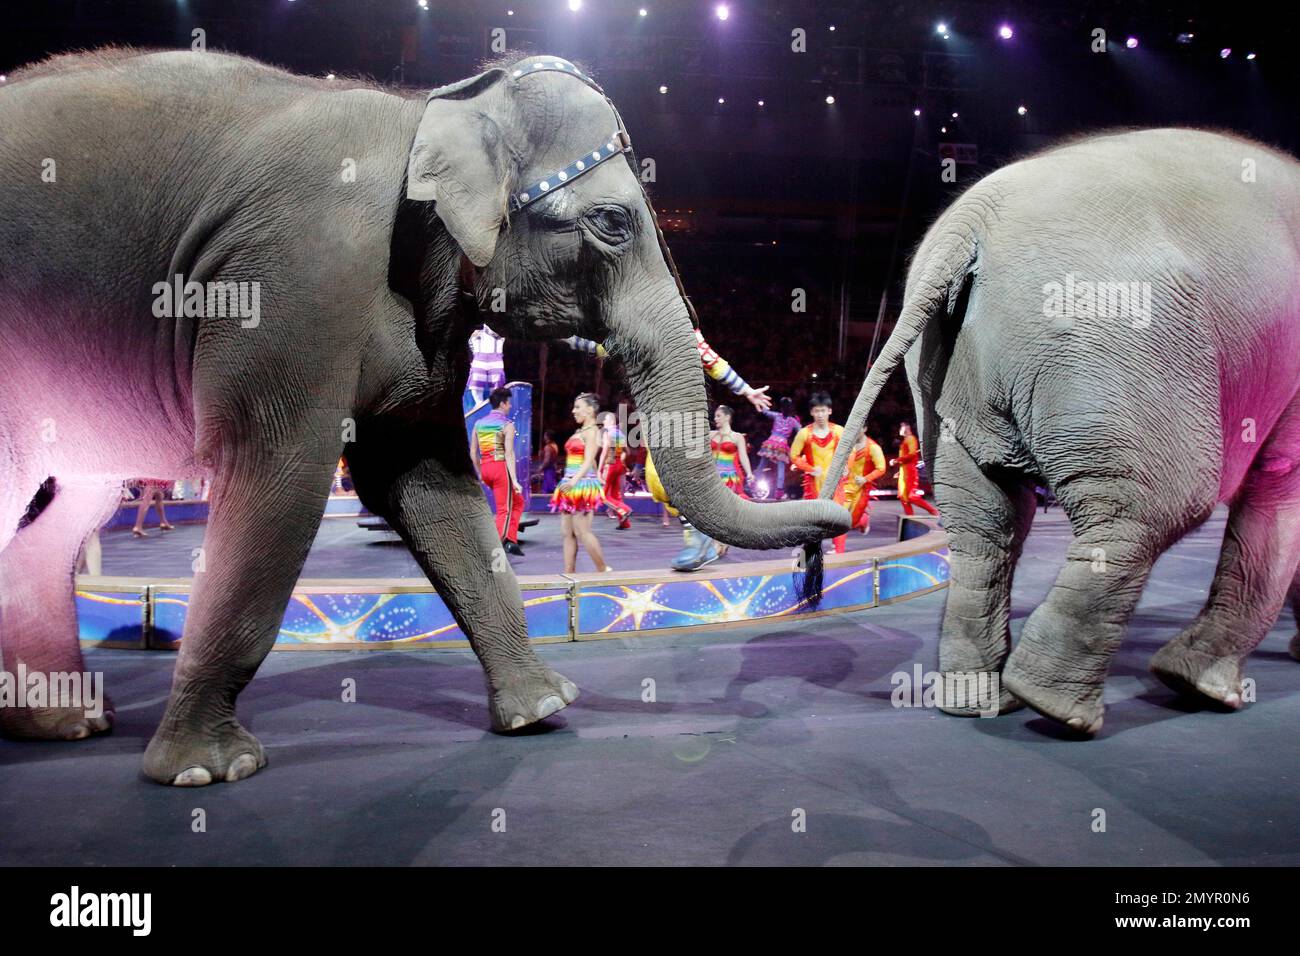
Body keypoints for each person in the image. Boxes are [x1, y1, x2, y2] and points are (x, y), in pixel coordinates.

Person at [550, 393, 612, 573]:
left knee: (582, 532)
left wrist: (576, 481)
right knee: (567, 533)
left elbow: (588, 460)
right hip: (570, 484)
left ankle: (603, 570)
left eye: (577, 407)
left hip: (580, 485)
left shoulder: (593, 431)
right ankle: (569, 572)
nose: (573, 411)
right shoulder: (580, 432)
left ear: (590, 410)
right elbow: (591, 463)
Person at [788, 392, 850, 553]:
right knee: (812, 522)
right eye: (817, 411)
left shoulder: (839, 431)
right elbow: (793, 456)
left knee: (838, 518)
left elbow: (850, 451)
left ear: (830, 411)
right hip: (812, 485)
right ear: (811, 412)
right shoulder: (804, 433)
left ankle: (840, 555)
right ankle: (811, 557)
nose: (820, 414)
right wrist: (809, 469)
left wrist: (846, 467)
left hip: (835, 483)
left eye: (823, 410)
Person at [471, 387, 525, 555]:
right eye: (509, 403)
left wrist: (480, 472)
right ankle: (493, 548)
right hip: (500, 468)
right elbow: (509, 452)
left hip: (486, 469)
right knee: (505, 510)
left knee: (518, 502)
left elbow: (473, 453)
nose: (510, 407)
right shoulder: (507, 424)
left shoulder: (478, 423)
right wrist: (514, 480)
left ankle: (511, 541)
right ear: (502, 403)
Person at [710, 404, 754, 558]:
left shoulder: (737, 437)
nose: (715, 419)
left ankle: (721, 541)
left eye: (718, 416)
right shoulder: (710, 435)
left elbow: (743, 456)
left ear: (727, 417)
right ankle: (718, 541)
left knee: (723, 511)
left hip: (729, 479)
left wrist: (749, 473)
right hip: (713, 478)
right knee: (712, 511)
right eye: (715, 416)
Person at [839, 432, 888, 534]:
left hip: (860, 489)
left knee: (851, 521)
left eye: (859, 427)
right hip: (843, 486)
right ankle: (837, 548)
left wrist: (865, 479)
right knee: (839, 519)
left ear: (865, 429)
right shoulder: (846, 444)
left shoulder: (873, 447)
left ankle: (862, 520)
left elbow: (881, 469)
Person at [891, 422, 940, 517]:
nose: (900, 430)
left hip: (910, 473)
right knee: (903, 497)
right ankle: (910, 517)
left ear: (906, 428)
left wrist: (896, 460)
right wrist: (900, 471)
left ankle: (933, 511)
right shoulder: (906, 440)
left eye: (901, 428)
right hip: (904, 472)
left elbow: (912, 454)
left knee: (911, 496)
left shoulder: (911, 439)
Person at [757, 397, 801, 499]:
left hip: (771, 442)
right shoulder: (793, 421)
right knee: (780, 469)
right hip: (781, 445)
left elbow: (765, 412)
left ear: (781, 408)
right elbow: (801, 431)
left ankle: (752, 481)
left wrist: (761, 401)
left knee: (762, 465)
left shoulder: (777, 415)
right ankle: (779, 491)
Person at [598, 411, 632, 530]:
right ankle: (624, 523)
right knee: (615, 495)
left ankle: (624, 510)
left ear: (612, 421)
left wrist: (600, 470)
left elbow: (604, 452)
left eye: (605, 420)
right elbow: (627, 452)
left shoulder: (608, 433)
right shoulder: (620, 434)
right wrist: (620, 458)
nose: (603, 422)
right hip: (619, 465)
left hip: (611, 465)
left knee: (602, 496)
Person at [467, 323, 506, 405]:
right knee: (476, 383)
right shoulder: (475, 328)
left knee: (496, 384)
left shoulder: (498, 325)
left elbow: (501, 333)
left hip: (495, 359)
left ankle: (494, 406)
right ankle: (479, 404)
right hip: (479, 358)